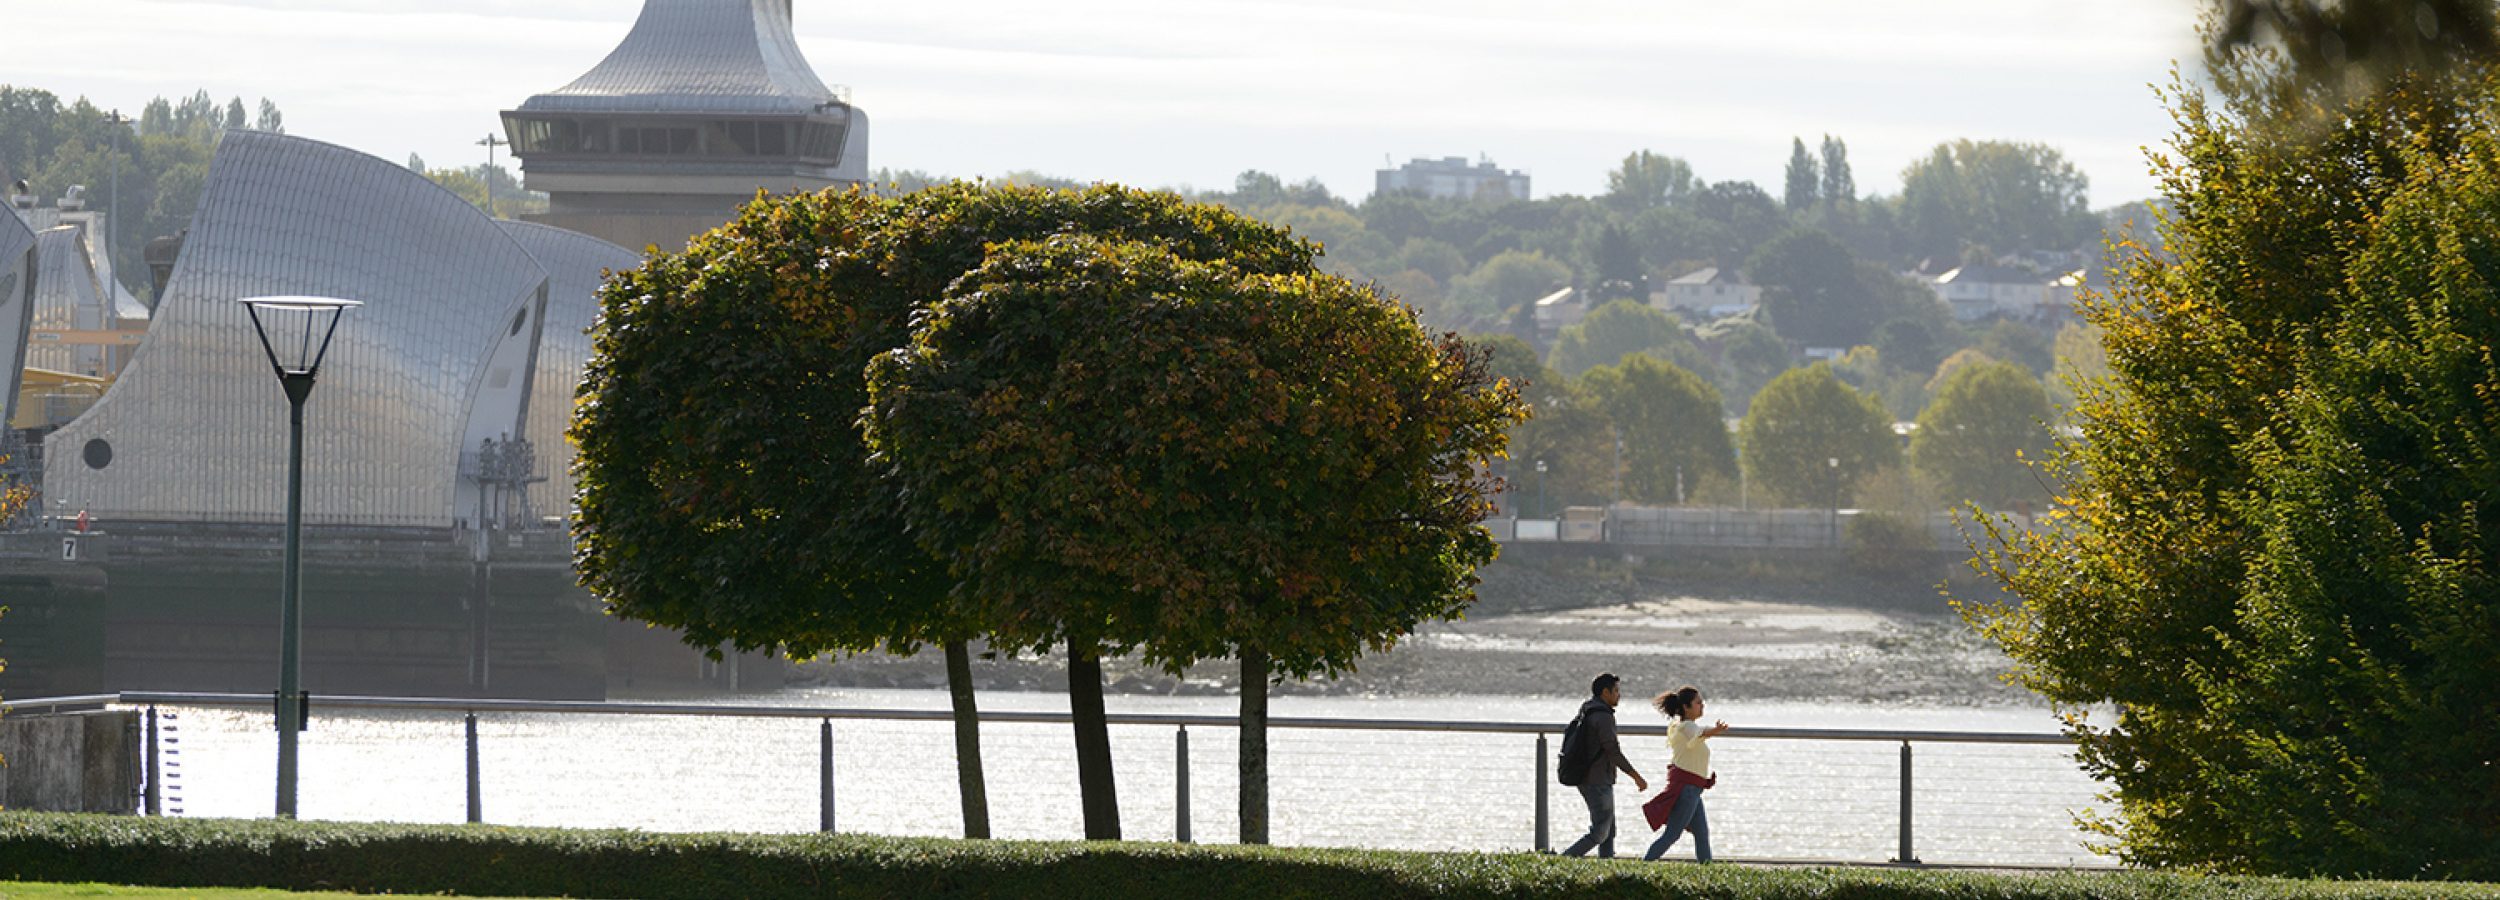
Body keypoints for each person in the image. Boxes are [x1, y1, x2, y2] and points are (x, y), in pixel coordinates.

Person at [1561, 673, 1647, 857]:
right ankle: (1564, 860)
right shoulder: (1603, 716)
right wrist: (1636, 777)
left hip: (1588, 776)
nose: (1619, 695)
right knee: (1600, 832)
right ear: (1605, 692)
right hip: (1597, 779)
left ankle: (1606, 868)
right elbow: (1613, 751)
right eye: (1616, 691)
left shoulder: (1587, 710)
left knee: (1609, 830)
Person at [1644, 684, 1727, 862]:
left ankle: (1707, 872)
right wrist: (1714, 731)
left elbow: (1699, 735)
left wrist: (1712, 732)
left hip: (1693, 790)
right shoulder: (1685, 727)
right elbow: (1699, 733)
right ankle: (1643, 866)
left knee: (1702, 833)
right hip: (1686, 790)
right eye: (1698, 703)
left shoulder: (1685, 727)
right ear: (1686, 707)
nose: (1702, 705)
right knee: (1672, 835)